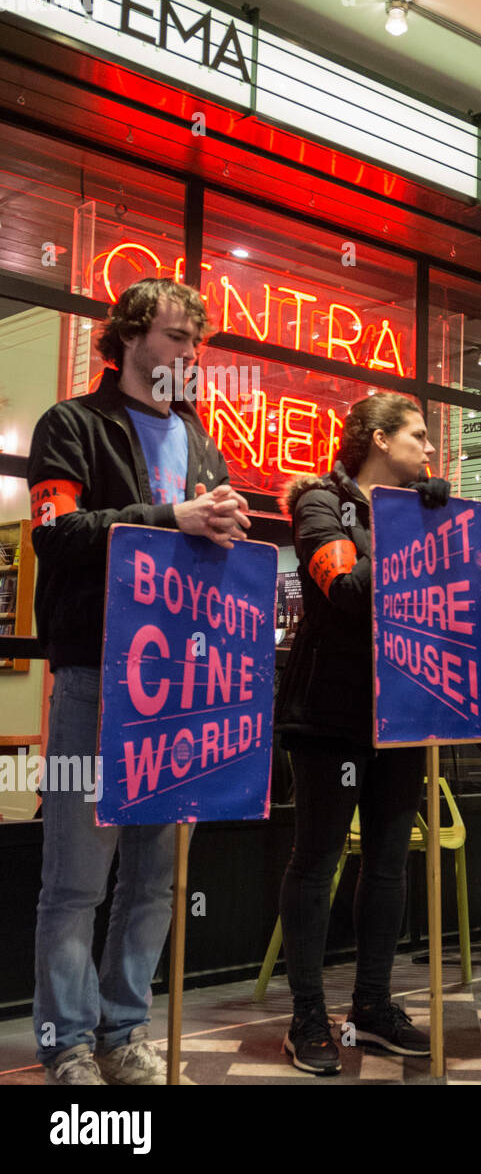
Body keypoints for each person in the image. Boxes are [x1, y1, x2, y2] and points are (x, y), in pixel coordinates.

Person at [28, 278, 251, 1085]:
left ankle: (124, 1032)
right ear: (125, 338)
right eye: (177, 336)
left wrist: (223, 526)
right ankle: (66, 1042)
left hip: (182, 689)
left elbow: (207, 541)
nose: (191, 353)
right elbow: (55, 534)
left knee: (154, 881)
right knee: (77, 880)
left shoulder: (196, 437)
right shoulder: (71, 423)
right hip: (95, 675)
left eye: (197, 340)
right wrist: (174, 519)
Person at [275, 392, 450, 1075]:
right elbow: (346, 586)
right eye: (418, 436)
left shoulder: (414, 509)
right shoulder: (319, 502)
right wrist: (419, 540)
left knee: (387, 861)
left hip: (402, 709)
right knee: (316, 862)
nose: (430, 450)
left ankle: (371, 1008)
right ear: (378, 438)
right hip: (328, 712)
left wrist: (425, 525)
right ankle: (307, 1016)